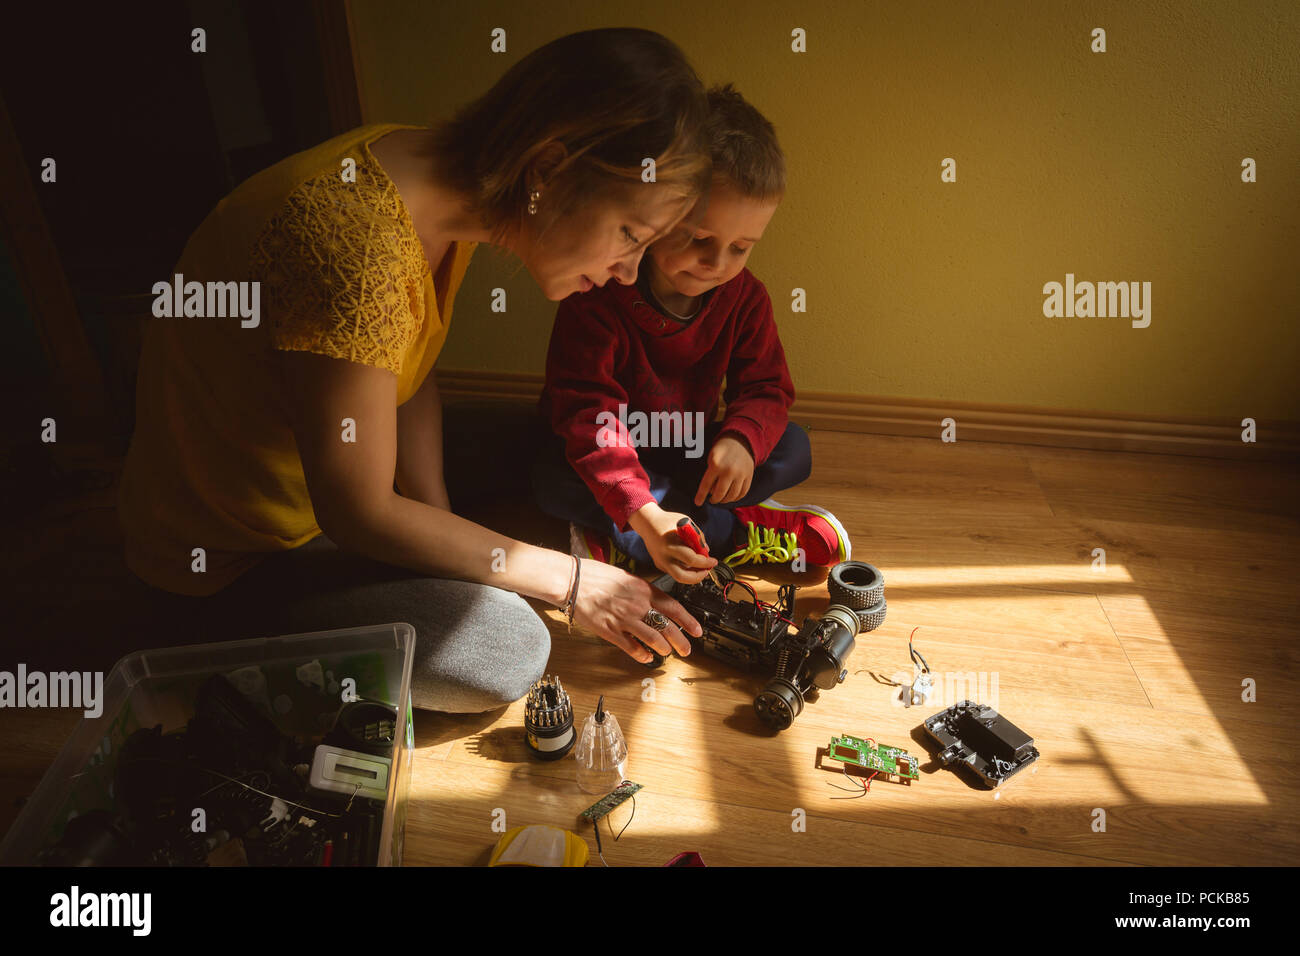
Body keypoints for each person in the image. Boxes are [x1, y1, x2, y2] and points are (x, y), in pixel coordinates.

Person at [116, 28, 714, 712]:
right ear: (547, 169)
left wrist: (434, 518)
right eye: (630, 235)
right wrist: (573, 582)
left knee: (549, 435)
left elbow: (408, 368)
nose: (628, 272)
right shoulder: (357, 247)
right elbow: (359, 513)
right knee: (506, 650)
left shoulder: (426, 174)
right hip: (229, 565)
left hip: (318, 476)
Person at [533, 84, 850, 584]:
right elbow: (587, 415)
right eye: (700, 239)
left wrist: (741, 441)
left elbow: (767, 389)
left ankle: (638, 533)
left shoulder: (745, 298)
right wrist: (639, 502)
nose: (717, 263)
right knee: (551, 479)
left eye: (741, 247)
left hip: (686, 444)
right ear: (658, 213)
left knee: (792, 447)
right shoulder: (598, 290)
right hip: (611, 442)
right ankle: (721, 533)